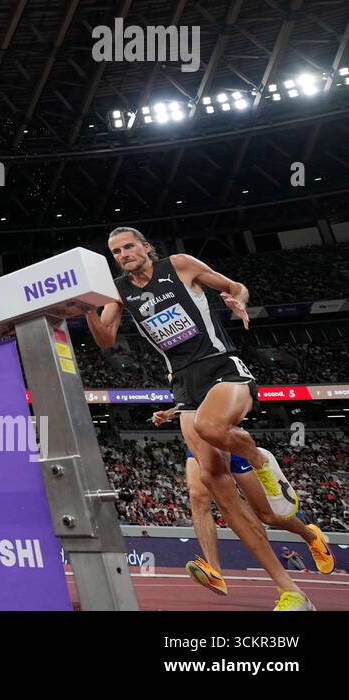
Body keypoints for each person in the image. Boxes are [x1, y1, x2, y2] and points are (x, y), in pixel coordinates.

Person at [87, 226, 312, 610]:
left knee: (212, 426)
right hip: (183, 385)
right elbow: (105, 339)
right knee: (217, 489)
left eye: (128, 247)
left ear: (145, 247)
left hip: (221, 365)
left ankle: (261, 462)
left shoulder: (180, 265)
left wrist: (236, 299)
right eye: (116, 252)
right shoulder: (119, 291)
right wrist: (87, 307)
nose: (123, 254)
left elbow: (235, 285)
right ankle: (290, 590)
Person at [152, 407, 335, 595]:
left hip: (229, 442)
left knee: (267, 516)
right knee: (198, 497)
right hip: (197, 444)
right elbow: (187, 400)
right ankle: (214, 571)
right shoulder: (177, 378)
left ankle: (311, 535)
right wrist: (170, 413)